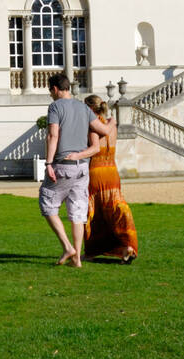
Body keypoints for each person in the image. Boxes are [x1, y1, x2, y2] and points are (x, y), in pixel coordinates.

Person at [39, 72, 110, 267]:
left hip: (63, 164)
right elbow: (104, 131)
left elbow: (53, 136)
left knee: (47, 204)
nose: (50, 95)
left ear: (55, 89)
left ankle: (68, 248)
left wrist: (48, 163)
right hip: (82, 167)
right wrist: (112, 122)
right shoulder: (83, 107)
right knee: (77, 213)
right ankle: (77, 258)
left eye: (50, 91)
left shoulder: (55, 106)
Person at [81, 95, 138, 263]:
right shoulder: (112, 125)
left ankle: (91, 252)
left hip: (97, 170)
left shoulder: (93, 125)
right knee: (116, 207)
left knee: (93, 211)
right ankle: (127, 245)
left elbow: (94, 147)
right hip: (112, 170)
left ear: (90, 108)